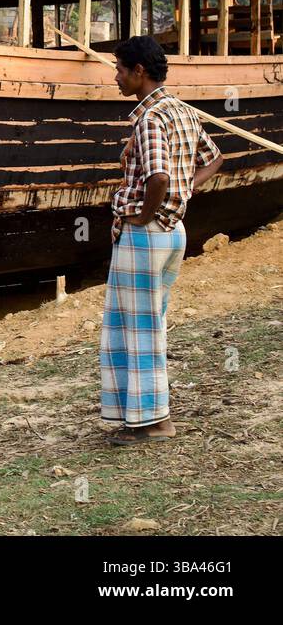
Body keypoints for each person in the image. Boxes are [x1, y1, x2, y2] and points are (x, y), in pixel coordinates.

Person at [101, 36, 223, 447]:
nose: (116, 77)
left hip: (147, 234)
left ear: (139, 72)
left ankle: (153, 422)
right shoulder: (181, 111)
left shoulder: (151, 119)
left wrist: (143, 213)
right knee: (151, 324)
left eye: (120, 69)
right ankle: (148, 416)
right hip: (174, 234)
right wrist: (183, 195)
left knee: (137, 328)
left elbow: (158, 177)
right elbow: (215, 158)